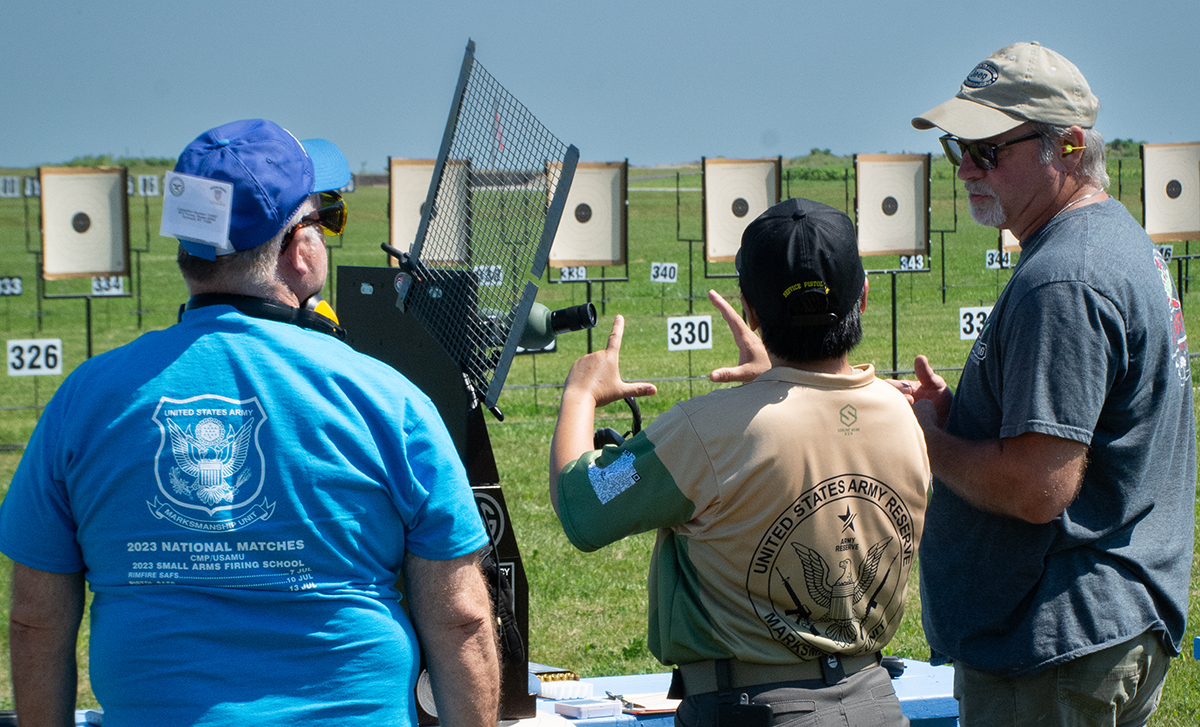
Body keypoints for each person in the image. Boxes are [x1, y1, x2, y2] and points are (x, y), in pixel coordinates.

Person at [0, 119, 498, 727]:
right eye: (325, 219)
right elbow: (460, 619)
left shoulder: (82, 401)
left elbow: (35, 620)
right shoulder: (387, 400)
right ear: (297, 249)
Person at [896, 42, 1195, 725]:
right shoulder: (1110, 238)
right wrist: (961, 415)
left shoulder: (1062, 278)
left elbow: (1039, 487)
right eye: (958, 147)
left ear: (1068, 146)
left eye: (989, 150)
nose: (966, 168)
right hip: (1099, 628)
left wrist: (928, 441)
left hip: (1053, 646)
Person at [549, 198, 930, 727]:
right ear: (863, 295)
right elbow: (817, 416)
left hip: (751, 710)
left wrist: (580, 393)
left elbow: (584, 507)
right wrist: (778, 385)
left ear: (750, 310)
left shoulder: (705, 431)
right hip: (875, 703)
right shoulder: (902, 411)